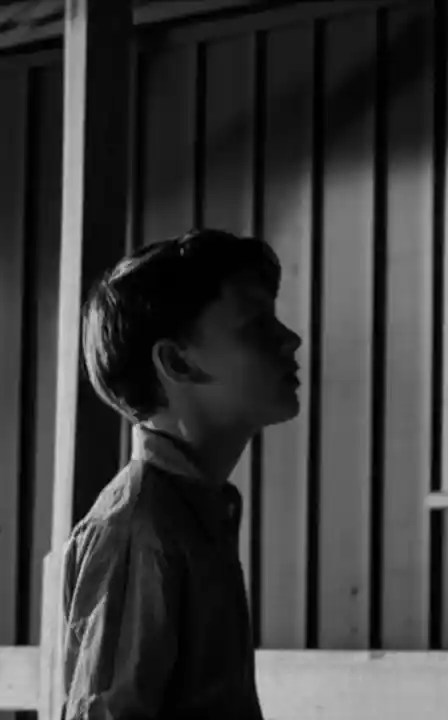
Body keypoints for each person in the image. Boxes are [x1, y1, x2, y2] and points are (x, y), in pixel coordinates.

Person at [60, 229, 302, 719]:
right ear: (175, 361)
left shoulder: (193, 510)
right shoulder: (139, 530)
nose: (290, 338)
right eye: (256, 326)